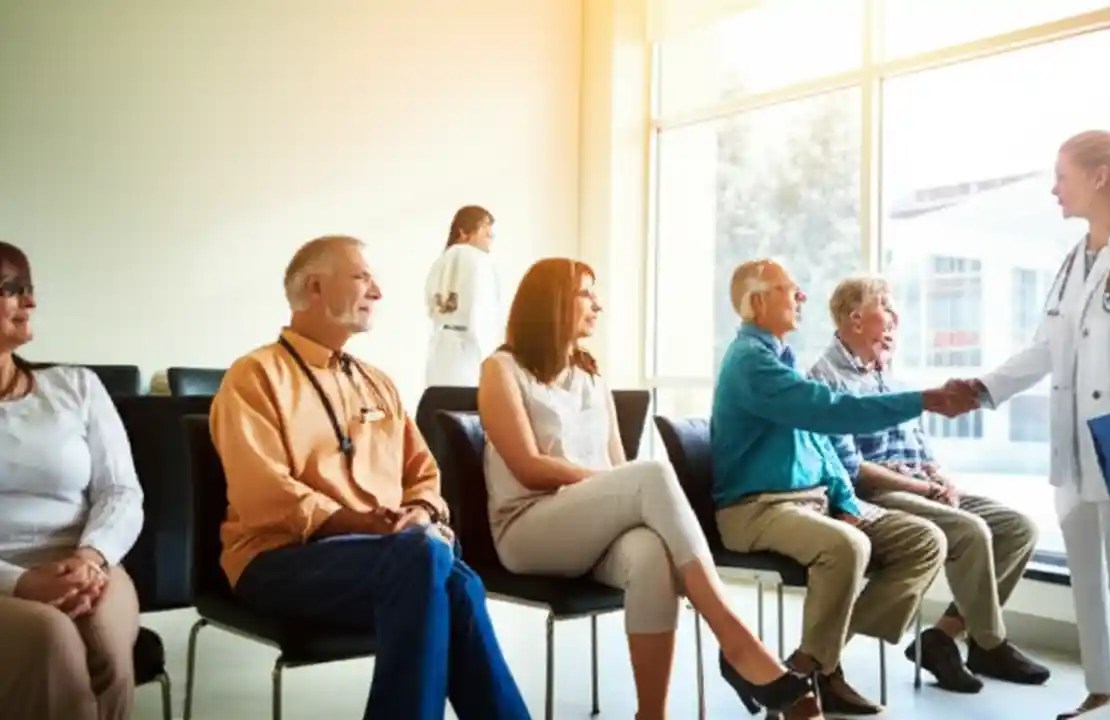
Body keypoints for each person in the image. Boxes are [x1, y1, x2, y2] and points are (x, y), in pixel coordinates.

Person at [478, 258, 819, 719]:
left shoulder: (592, 376)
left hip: (592, 526)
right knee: (651, 474)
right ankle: (736, 641)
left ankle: (651, 714)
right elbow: (528, 467)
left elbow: (618, 465)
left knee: (650, 557)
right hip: (528, 528)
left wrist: (619, 488)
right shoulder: (501, 369)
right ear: (553, 301)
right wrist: (616, 486)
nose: (598, 303)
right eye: (586, 293)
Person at [210, 235, 530, 720]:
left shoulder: (377, 381)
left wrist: (420, 512)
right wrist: (367, 524)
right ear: (315, 287)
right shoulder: (254, 377)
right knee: (434, 564)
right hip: (278, 559)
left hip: (393, 557)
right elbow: (264, 494)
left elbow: (422, 472)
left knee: (451, 579)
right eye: (362, 277)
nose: (378, 291)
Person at [964, 131, 1110, 719]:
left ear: (1099, 176)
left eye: (1061, 176)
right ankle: (1102, 691)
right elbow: (1047, 347)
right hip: (1074, 437)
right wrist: (981, 389)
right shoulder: (1076, 259)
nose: (1053, 189)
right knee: (1087, 578)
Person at [711, 258, 975, 716]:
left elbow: (822, 444)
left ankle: (806, 664)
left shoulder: (782, 359)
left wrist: (848, 499)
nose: (802, 297)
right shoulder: (751, 363)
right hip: (756, 509)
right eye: (787, 289)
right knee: (848, 547)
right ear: (756, 302)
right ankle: (814, 672)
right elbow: (833, 411)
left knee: (923, 541)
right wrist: (923, 400)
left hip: (811, 503)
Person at [808, 275, 1050, 694]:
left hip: (919, 485)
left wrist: (941, 479)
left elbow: (920, 446)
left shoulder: (891, 374)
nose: (896, 316)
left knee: (1018, 529)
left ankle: (942, 638)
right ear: (856, 319)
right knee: (971, 532)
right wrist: (924, 490)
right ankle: (990, 643)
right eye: (885, 304)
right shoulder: (824, 378)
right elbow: (851, 470)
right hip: (874, 493)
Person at [0, 241, 145, 720]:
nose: (31, 302)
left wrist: (90, 557)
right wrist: (21, 584)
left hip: (88, 562)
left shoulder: (77, 386)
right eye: (12, 288)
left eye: (30, 289)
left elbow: (120, 491)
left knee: (103, 645)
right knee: (50, 637)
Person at [424, 205, 504, 387]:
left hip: (441, 346)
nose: (491, 236)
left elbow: (430, 306)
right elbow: (483, 310)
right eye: (485, 229)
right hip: (469, 347)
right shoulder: (476, 259)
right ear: (464, 232)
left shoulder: (440, 261)